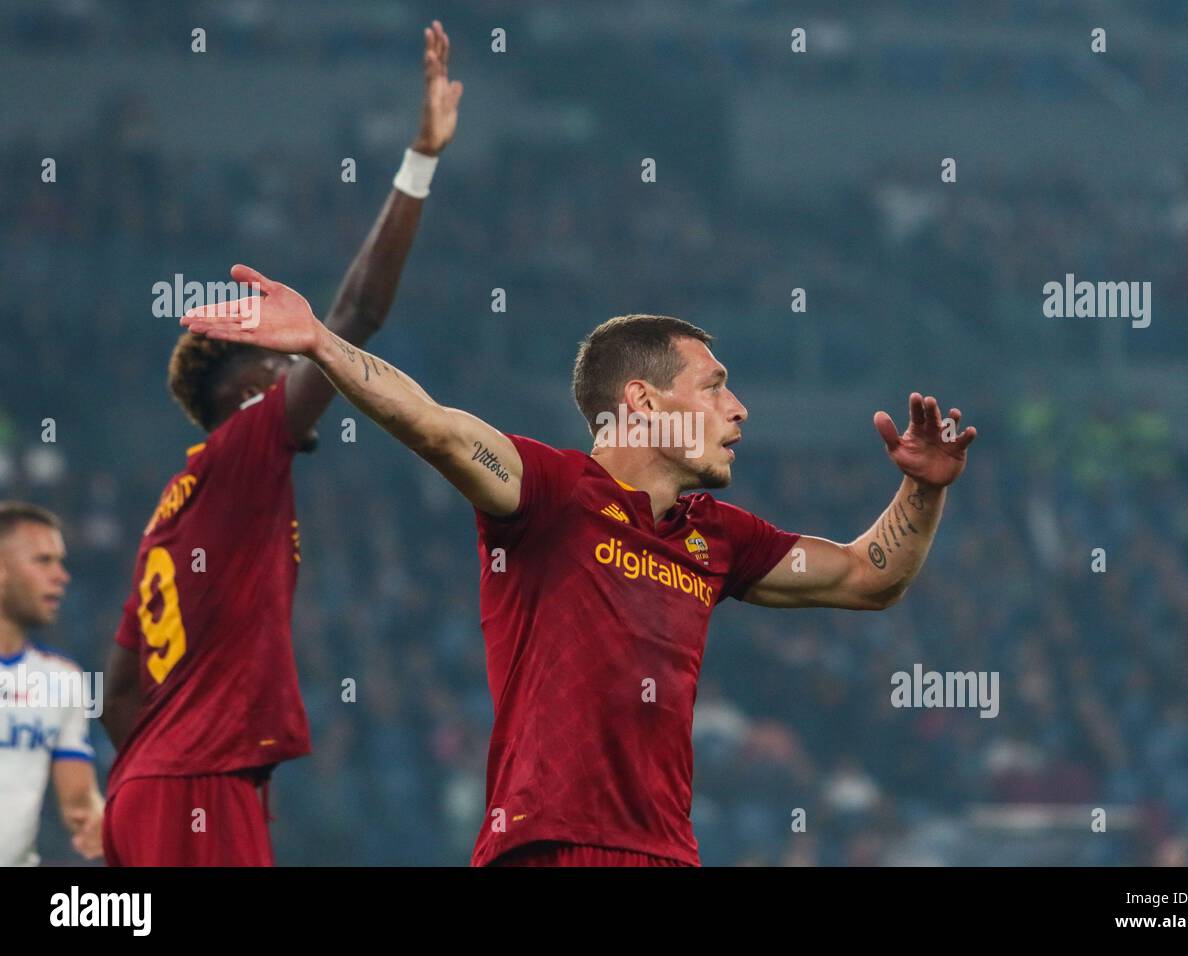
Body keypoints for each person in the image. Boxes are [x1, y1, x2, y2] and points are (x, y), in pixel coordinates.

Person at [182, 299, 975, 870]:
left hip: (666, 851)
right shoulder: (551, 493)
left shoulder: (718, 538)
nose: (737, 409)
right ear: (642, 401)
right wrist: (322, 342)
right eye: (713, 385)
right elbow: (430, 422)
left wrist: (924, 488)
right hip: (548, 844)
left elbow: (869, 576)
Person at [100, 21, 463, 866]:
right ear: (247, 388)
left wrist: (148, 787)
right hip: (201, 786)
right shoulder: (239, 453)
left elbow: (120, 694)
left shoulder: (177, 506)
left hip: (156, 790)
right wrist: (421, 160)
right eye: (283, 358)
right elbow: (357, 319)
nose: (301, 365)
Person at [0, 502, 103, 866]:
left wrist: (98, 822)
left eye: (60, 562)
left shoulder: (63, 681)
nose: (62, 576)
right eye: (43, 561)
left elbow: (79, 802)